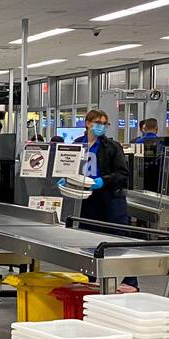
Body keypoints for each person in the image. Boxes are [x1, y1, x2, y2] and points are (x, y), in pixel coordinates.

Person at [62, 109, 135, 286]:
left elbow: (123, 174)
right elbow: (68, 167)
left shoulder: (112, 147)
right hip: (87, 201)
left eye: (104, 124)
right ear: (88, 123)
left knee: (118, 242)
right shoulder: (77, 144)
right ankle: (90, 282)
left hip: (111, 201)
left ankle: (130, 282)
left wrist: (103, 181)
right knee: (88, 242)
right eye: (98, 123)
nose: (101, 127)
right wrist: (64, 179)